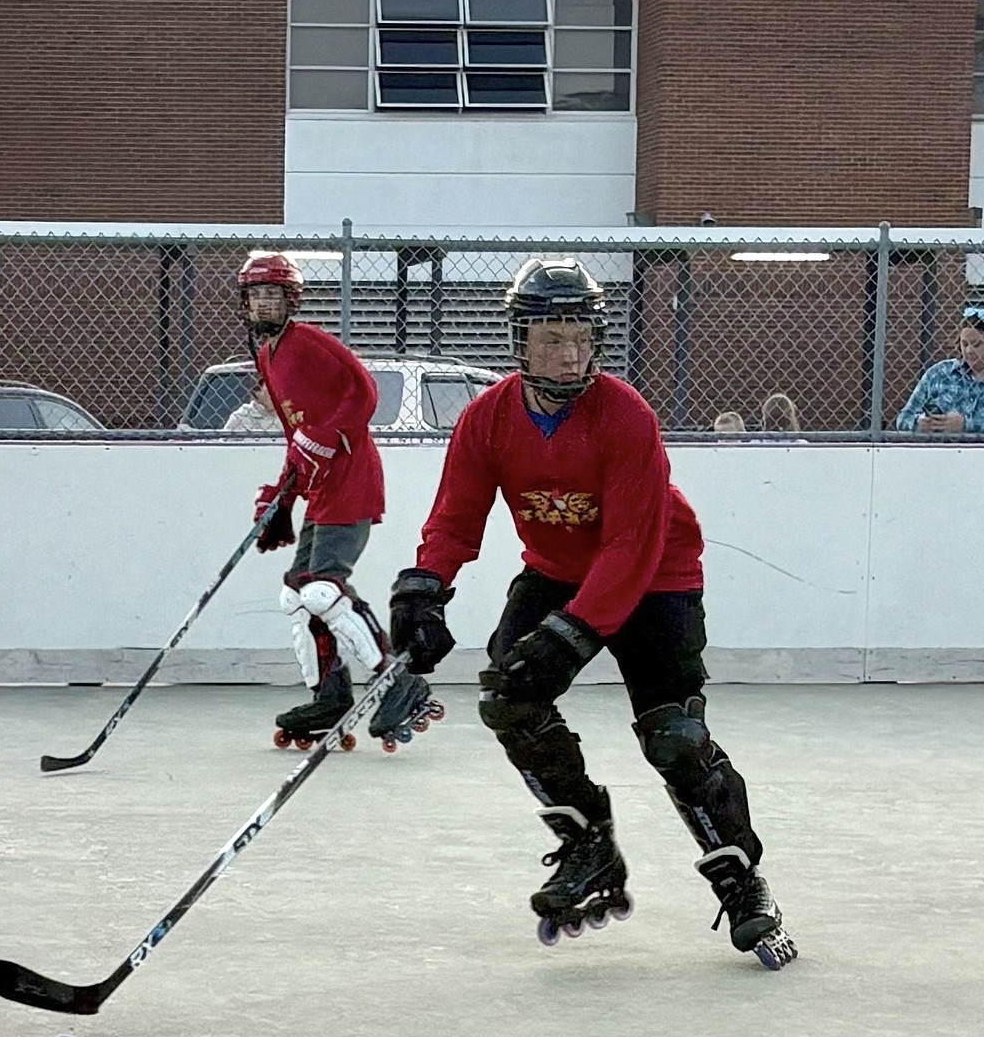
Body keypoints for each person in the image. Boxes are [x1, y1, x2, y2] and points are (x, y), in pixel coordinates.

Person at [385, 257, 797, 969]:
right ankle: (589, 843)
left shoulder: (626, 415)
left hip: (655, 576)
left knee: (673, 738)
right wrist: (423, 586)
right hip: (556, 571)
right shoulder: (486, 420)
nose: (570, 353)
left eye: (581, 336)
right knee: (510, 697)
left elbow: (633, 546)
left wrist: (570, 635)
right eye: (552, 337)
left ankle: (742, 881)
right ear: (520, 339)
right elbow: (455, 521)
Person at [237, 252, 437, 752]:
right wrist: (283, 496)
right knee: (296, 596)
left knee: (323, 589)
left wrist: (328, 434)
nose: (264, 301)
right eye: (255, 293)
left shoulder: (308, 342)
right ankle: (328, 695)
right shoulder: (267, 356)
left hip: (351, 480)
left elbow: (364, 393)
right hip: (321, 488)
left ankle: (397, 681)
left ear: (291, 299)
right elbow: (296, 436)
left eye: (273, 293)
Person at [894, 306, 984, 434]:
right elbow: (903, 418)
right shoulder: (938, 374)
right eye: (965, 344)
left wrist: (967, 425)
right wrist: (919, 423)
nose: (969, 350)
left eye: (977, 344)